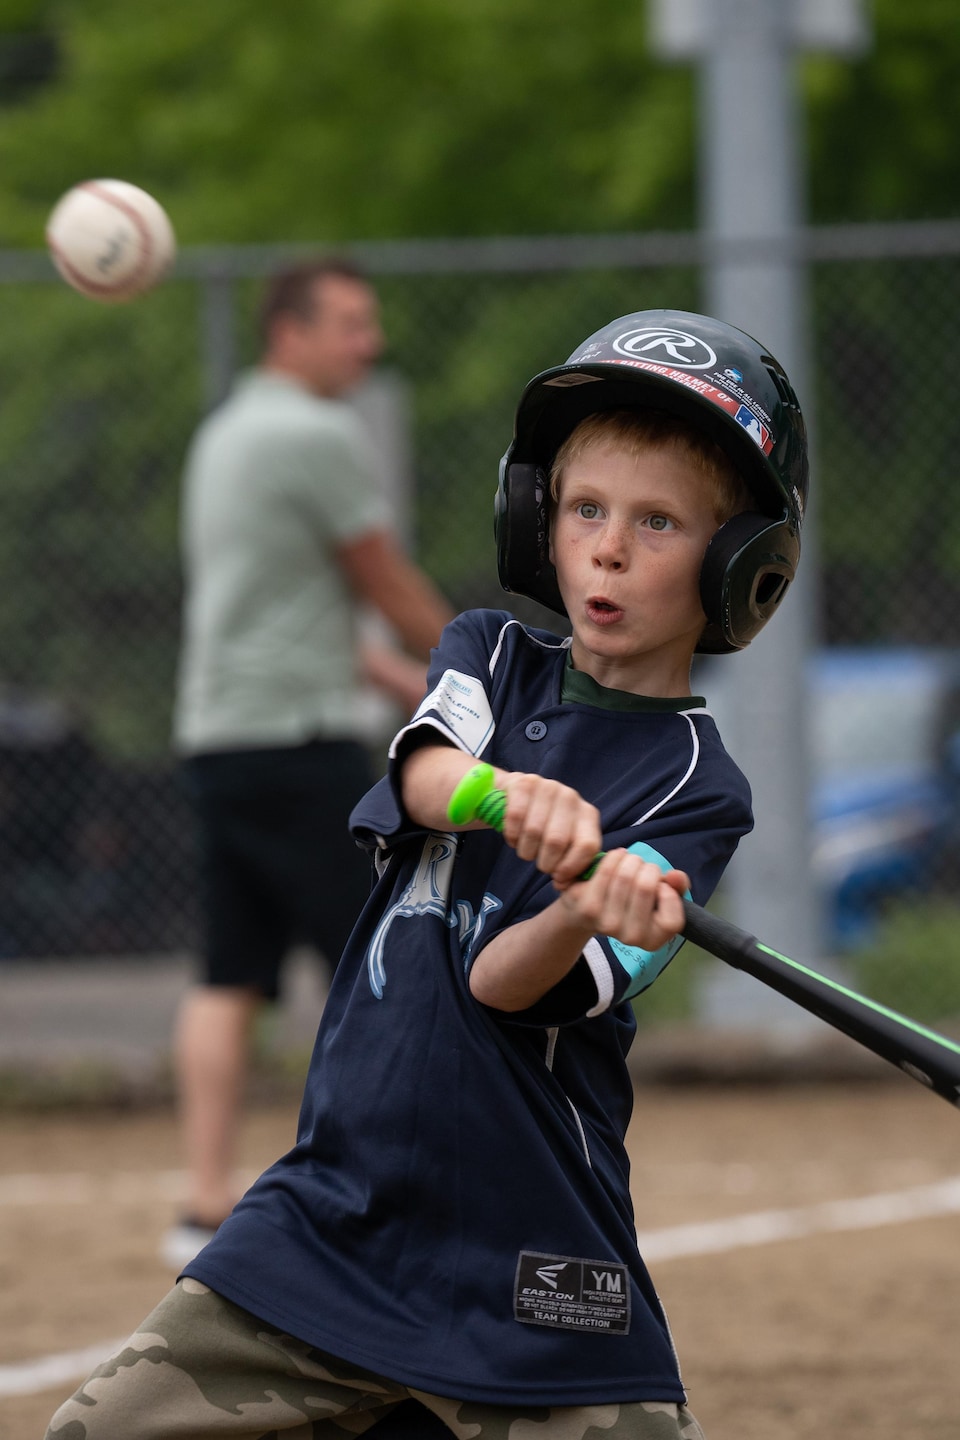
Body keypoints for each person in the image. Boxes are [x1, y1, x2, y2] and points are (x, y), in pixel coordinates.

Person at [47, 307, 808, 1439]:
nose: (607, 547)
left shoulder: (700, 790)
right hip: (335, 1215)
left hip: (534, 1254)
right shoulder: (490, 657)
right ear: (534, 520)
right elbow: (423, 780)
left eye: (658, 523)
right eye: (586, 509)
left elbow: (507, 986)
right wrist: (508, 798)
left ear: (740, 566)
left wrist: (586, 910)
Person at [163, 257, 454, 1269]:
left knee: (227, 973)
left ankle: (201, 1203)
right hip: (297, 742)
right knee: (380, 965)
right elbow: (381, 575)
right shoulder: (315, 433)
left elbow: (284, 604)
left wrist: (385, 674)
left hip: (219, 737)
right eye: (349, 324)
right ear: (289, 332)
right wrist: (475, 670)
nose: (367, 343)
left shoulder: (227, 431)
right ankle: (379, 1186)